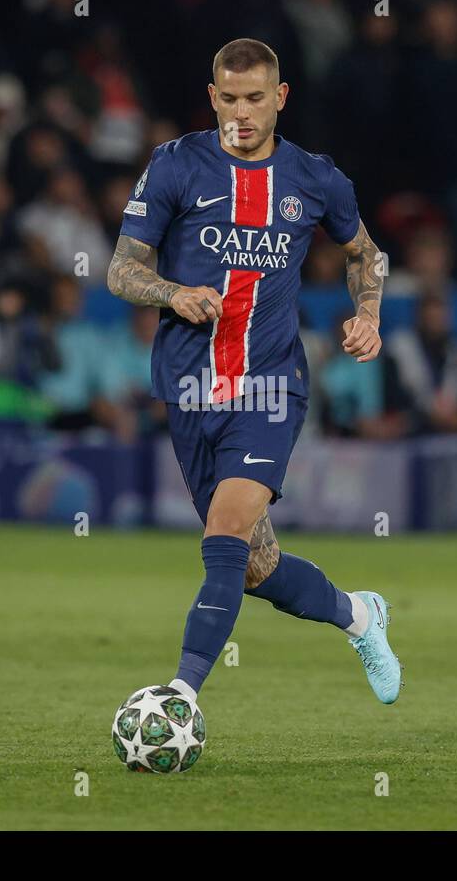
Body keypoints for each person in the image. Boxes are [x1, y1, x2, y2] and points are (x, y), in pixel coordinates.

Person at [106, 38, 402, 713]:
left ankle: (179, 697)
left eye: (255, 99)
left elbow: (366, 254)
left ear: (281, 98)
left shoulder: (314, 179)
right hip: (188, 387)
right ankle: (359, 615)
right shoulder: (176, 165)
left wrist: (369, 313)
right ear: (212, 97)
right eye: (229, 99)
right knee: (254, 568)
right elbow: (122, 269)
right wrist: (172, 293)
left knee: (227, 529)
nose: (242, 112)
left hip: (269, 386)